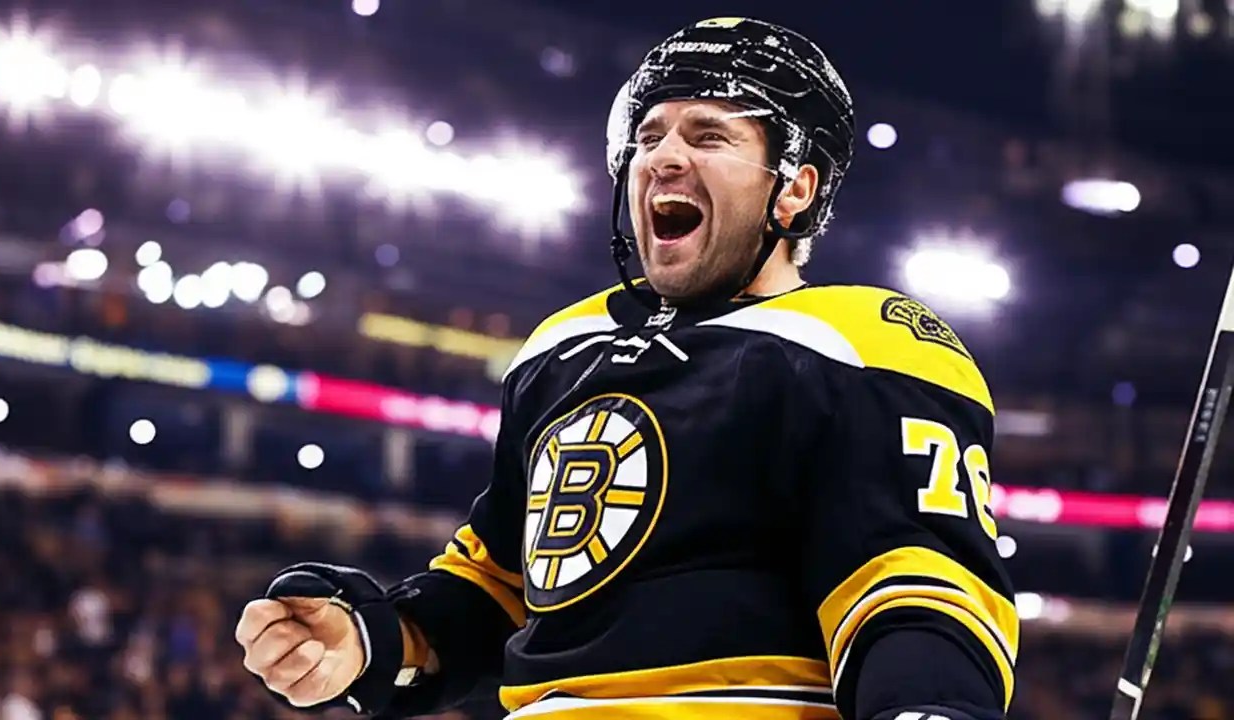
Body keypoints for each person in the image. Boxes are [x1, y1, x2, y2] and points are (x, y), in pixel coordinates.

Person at [235, 16, 1019, 720]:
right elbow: (502, 592)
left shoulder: (863, 341)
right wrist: (370, 640)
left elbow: (915, 592)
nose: (664, 157)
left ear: (795, 190)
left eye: (709, 136)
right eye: (650, 137)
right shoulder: (559, 347)